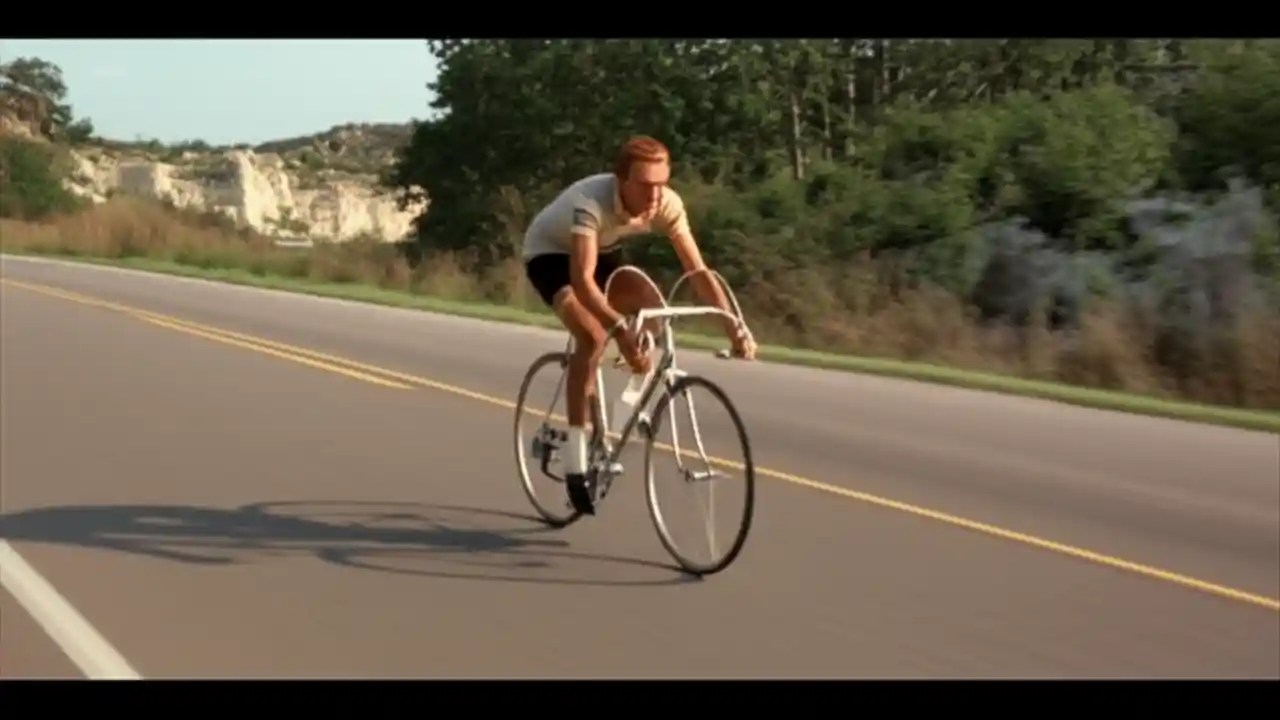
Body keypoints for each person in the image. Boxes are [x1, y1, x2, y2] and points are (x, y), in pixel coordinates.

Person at [521, 135, 756, 515]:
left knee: (653, 308)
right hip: (551, 255)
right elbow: (582, 280)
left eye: (661, 184)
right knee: (593, 336)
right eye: (645, 186)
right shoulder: (590, 201)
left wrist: (734, 326)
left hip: (603, 250)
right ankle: (577, 459)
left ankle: (628, 395)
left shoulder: (667, 204)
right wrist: (619, 329)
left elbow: (697, 272)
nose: (654, 196)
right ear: (621, 181)